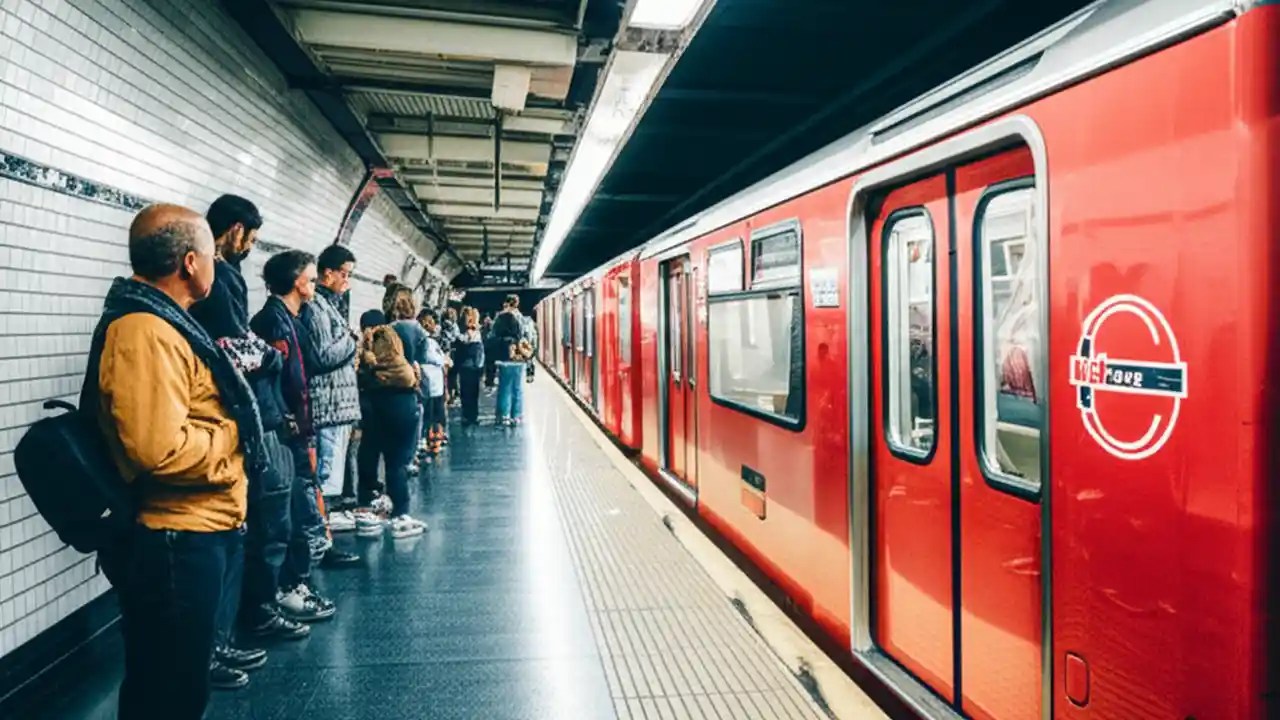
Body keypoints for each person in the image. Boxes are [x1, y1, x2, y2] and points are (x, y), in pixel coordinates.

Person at [88, 204, 263, 719]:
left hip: (194, 530)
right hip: (175, 540)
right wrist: (232, 437)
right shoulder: (145, 331)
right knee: (169, 691)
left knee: (179, 682)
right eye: (212, 256)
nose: (217, 268)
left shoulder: (170, 324)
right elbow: (154, 447)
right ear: (190, 262)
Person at [189, 195, 303, 693]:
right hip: (241, 419)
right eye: (250, 237)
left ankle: (226, 634)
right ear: (235, 230)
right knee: (255, 530)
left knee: (244, 533)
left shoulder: (214, 279)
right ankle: (231, 631)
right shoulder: (221, 276)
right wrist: (274, 361)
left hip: (237, 420)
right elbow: (236, 346)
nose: (251, 246)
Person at [250, 250, 337, 624]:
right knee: (290, 516)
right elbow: (275, 380)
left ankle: (294, 584)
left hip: (297, 428)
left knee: (300, 512)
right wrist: (287, 421)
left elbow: (308, 364)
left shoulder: (291, 319)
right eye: (312, 278)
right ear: (296, 281)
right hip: (285, 432)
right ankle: (285, 590)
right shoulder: (272, 321)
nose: (316, 283)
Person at [300, 245, 361, 560]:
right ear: (328, 272)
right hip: (329, 403)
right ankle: (319, 544)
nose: (347, 281)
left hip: (338, 405)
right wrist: (352, 341)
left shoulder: (328, 304)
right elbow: (322, 354)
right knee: (323, 475)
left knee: (329, 475)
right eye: (345, 274)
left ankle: (323, 538)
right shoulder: (316, 307)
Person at [357, 297, 428, 538]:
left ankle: (367, 505)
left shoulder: (369, 347)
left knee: (369, 453)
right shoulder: (401, 339)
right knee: (397, 464)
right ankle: (401, 514)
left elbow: (364, 377)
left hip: (378, 406)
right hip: (406, 404)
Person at [490, 294, 531, 425]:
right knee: (517, 388)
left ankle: (502, 416)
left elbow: (492, 336)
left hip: (503, 357)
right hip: (517, 357)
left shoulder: (499, 317)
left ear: (506, 302)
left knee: (503, 387)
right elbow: (527, 336)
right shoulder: (520, 318)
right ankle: (516, 416)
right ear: (517, 303)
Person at [417, 311, 448, 458]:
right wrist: (443, 360)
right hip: (429, 378)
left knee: (432, 410)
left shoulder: (430, 340)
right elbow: (430, 356)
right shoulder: (425, 340)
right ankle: (424, 439)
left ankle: (431, 436)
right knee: (428, 411)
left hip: (434, 380)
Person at [453, 307, 485, 425]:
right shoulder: (477, 334)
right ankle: (473, 416)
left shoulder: (463, 333)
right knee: (473, 392)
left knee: (466, 392)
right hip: (474, 367)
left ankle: (467, 416)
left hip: (465, 366)